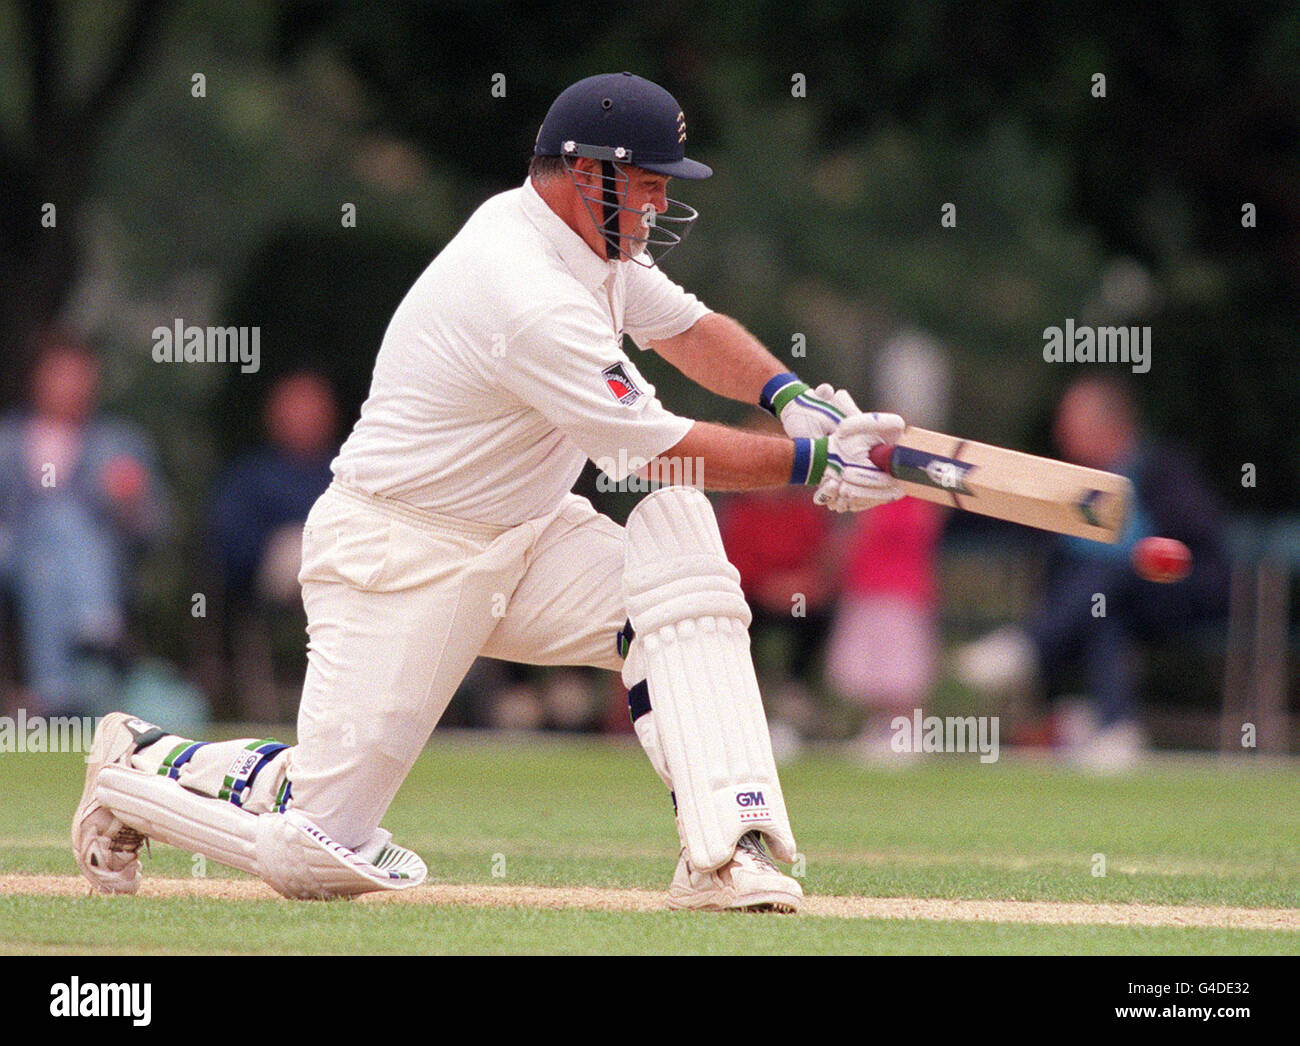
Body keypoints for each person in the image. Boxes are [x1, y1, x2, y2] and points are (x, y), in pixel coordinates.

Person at [73, 73, 905, 912]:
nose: (658, 207)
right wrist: (815, 466)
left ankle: (727, 852)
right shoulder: (524, 289)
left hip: (531, 540)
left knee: (683, 584)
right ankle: (137, 767)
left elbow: (686, 328)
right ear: (588, 174)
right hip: (401, 556)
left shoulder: (596, 249)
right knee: (319, 848)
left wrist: (792, 401)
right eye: (650, 185)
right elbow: (650, 449)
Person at [957, 376, 1230, 770]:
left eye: (1072, 420)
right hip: (1101, 607)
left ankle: (1029, 645)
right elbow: (1005, 524)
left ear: (1111, 424)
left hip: (1178, 595)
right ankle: (1117, 730)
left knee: (1113, 571)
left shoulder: (1162, 470)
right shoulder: (1070, 484)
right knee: (1104, 613)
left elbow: (1199, 542)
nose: (1061, 431)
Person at [0, 332, 171, 716]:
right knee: (55, 519)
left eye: (82, 376)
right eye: (62, 375)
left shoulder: (121, 442)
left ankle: (52, 696)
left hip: (95, 564)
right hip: (12, 557)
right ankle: (98, 626)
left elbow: (154, 531)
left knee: (51, 558)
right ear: (38, 379)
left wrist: (131, 503)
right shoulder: (6, 442)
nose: (73, 386)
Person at [206, 371, 339, 719]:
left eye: (312, 406)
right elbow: (230, 545)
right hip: (278, 579)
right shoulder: (251, 475)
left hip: (351, 571)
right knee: (301, 544)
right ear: (274, 414)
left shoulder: (348, 469)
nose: (304, 415)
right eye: (294, 406)